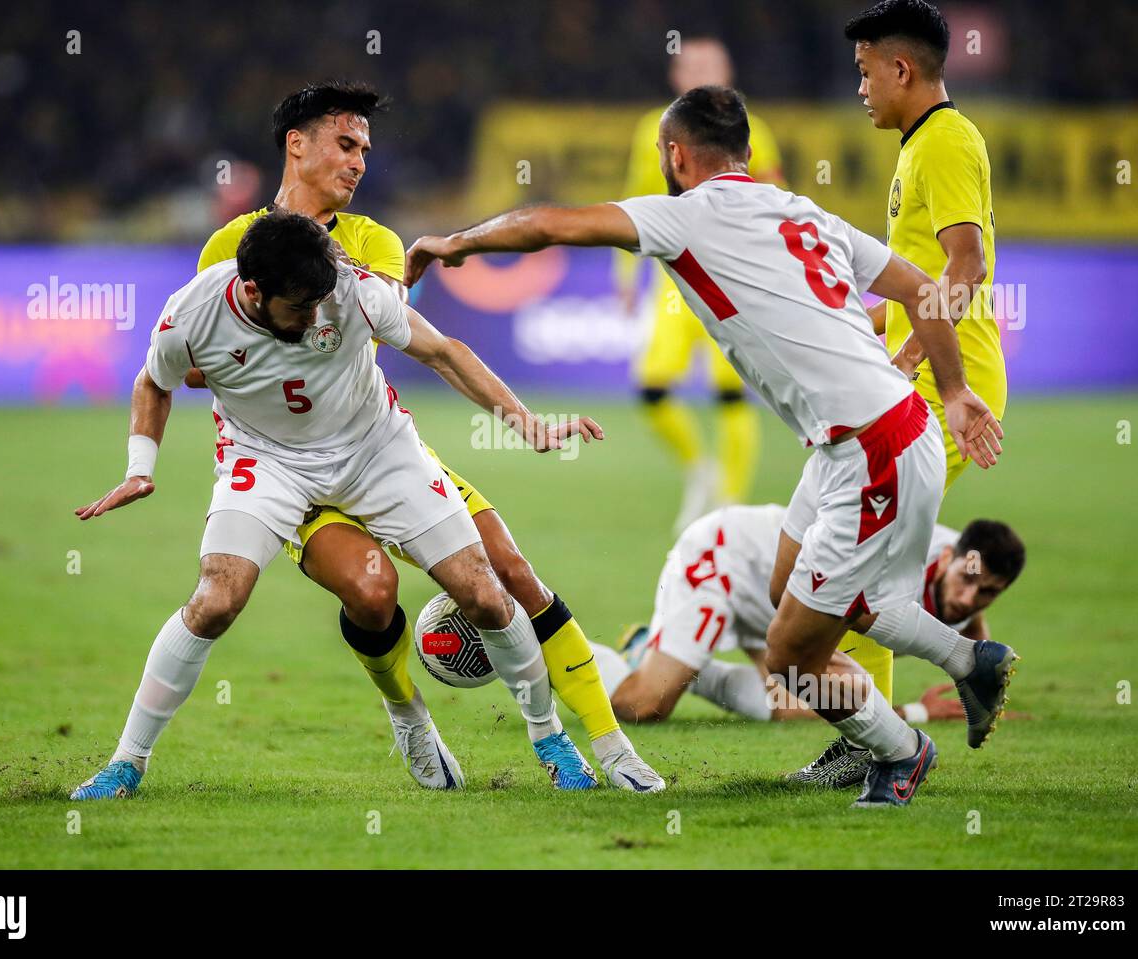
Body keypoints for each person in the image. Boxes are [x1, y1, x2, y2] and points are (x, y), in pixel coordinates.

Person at [406, 85, 1012, 807]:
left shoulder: (685, 215)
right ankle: (969, 660)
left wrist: (456, 242)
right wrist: (952, 390)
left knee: (791, 655)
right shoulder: (805, 213)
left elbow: (547, 223)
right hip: (867, 437)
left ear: (675, 155)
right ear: (748, 153)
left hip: (874, 448)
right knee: (794, 594)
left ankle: (901, 750)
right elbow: (923, 291)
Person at [192, 81, 663, 793]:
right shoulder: (229, 248)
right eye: (346, 145)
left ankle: (604, 745)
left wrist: (525, 422)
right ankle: (408, 715)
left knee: (509, 574)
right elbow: (197, 363)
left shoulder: (371, 242)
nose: (359, 162)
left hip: (380, 450)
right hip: (289, 467)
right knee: (372, 592)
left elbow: (412, 336)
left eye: (365, 149)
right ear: (297, 145)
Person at [68, 210, 636, 800]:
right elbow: (153, 382)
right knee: (217, 600)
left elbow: (442, 352)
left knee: (486, 595)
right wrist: (140, 468)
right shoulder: (190, 315)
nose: (316, 317)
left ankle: (549, 737)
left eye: (321, 302)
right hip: (268, 462)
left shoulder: (354, 291)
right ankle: (126, 763)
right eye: (300, 308)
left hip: (378, 450)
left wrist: (525, 422)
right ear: (253, 291)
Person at [805, 0, 1007, 772]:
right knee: (860, 560)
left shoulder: (946, 141)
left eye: (865, 73)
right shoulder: (921, 144)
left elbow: (966, 266)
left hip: (952, 387)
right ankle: (941, 686)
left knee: (854, 562)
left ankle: (881, 737)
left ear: (902, 68)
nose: (860, 88)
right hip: (918, 388)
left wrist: (914, 361)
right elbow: (915, 282)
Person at [590, 504, 1026, 786]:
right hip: (728, 559)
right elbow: (843, 690)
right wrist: (916, 712)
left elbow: (973, 630)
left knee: (791, 701)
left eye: (987, 592)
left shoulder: (963, 575)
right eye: (967, 581)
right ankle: (570, 650)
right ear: (946, 557)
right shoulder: (894, 571)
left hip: (786, 597)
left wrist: (985, 693)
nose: (968, 598)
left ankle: (670, 660)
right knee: (645, 706)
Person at [615, 37, 782, 532]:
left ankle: (729, 505)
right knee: (651, 387)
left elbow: (775, 201)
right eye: (692, 65)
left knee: (731, 394)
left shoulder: (753, 131)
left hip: (731, 281)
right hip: (674, 281)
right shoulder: (652, 129)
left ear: (728, 72)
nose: (702, 73)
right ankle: (699, 468)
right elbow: (634, 201)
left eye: (711, 65)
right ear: (676, 75)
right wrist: (626, 273)